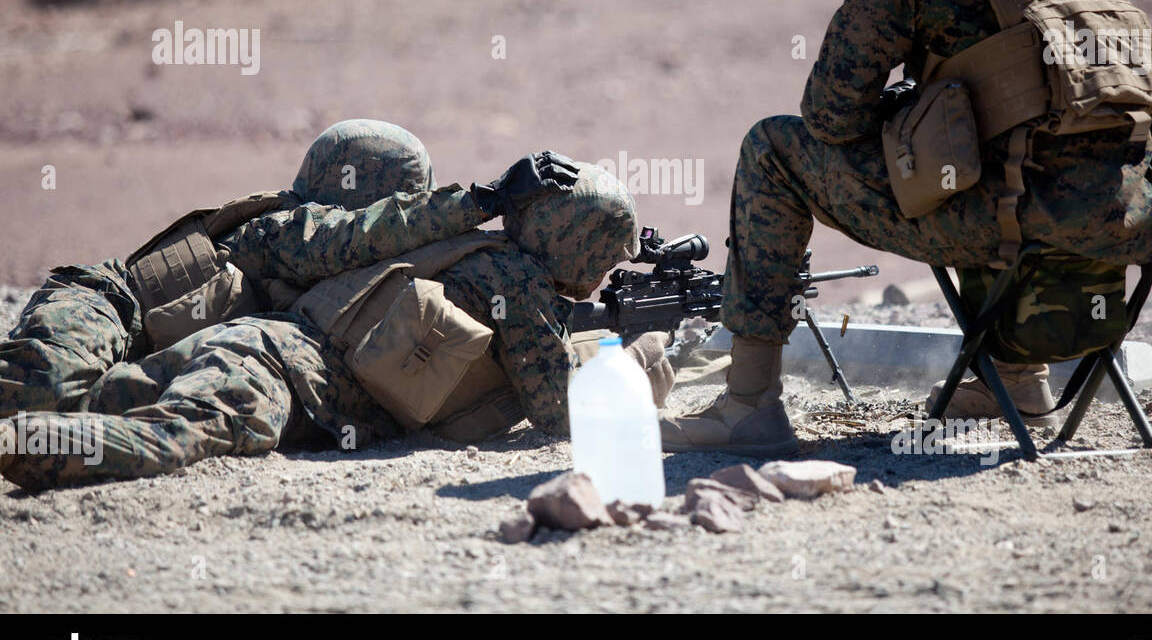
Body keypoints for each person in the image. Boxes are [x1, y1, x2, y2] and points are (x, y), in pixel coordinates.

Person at [659, 0, 1152, 457]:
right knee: (994, 145)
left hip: (1014, 215)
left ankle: (747, 406)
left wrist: (912, 111)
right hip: (1132, 217)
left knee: (773, 148)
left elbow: (831, 117)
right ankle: (1012, 379)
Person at [0, 162, 665, 491]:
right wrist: (644, 363)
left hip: (250, 344)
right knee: (177, 433)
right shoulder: (517, 285)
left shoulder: (467, 255)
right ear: (583, 248)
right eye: (607, 257)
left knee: (103, 402)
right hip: (278, 374)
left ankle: (28, 429)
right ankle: (33, 445)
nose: (608, 271)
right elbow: (559, 411)